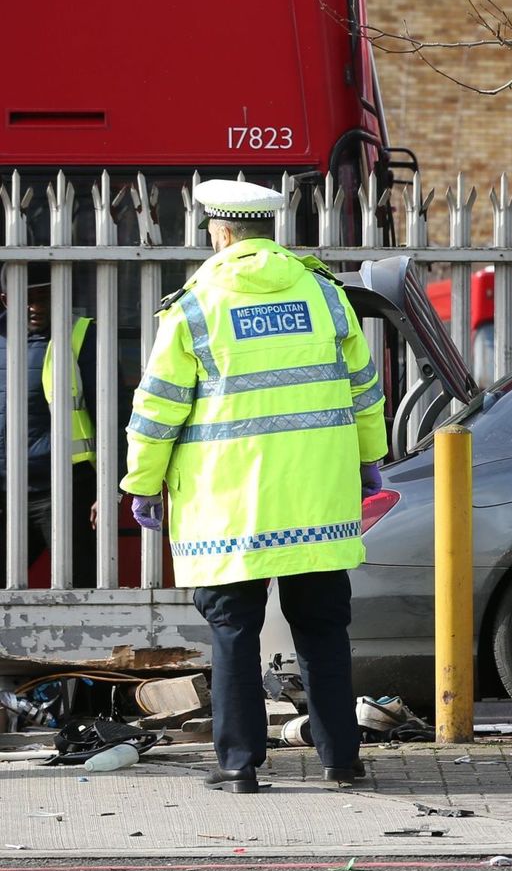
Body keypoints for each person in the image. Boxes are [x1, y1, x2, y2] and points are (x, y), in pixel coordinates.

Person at [120, 180, 386, 794]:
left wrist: (143, 483)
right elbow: (364, 389)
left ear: (220, 232)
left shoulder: (193, 306)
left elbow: (157, 409)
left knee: (232, 632)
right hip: (318, 501)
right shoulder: (325, 296)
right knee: (322, 627)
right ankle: (340, 760)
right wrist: (368, 459)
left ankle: (240, 765)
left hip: (227, 509)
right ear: (269, 230)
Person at [0, 265, 98, 578]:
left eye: (44, 297)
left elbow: (114, 410)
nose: (36, 307)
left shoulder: (79, 334)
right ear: (5, 299)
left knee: (80, 587)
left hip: (64, 487)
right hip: (7, 489)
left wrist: (110, 489)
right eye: (27, 298)